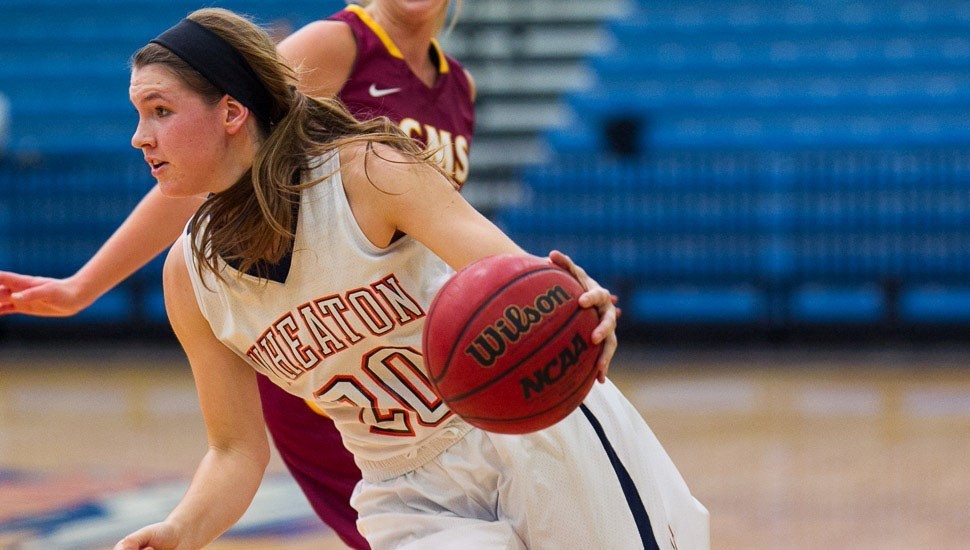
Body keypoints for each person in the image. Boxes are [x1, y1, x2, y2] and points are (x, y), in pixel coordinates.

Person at [103, 8, 707, 549]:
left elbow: (518, 277)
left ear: (232, 112)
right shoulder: (190, 276)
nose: (140, 136)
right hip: (404, 488)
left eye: (160, 111)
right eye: (140, 115)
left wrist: (579, 304)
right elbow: (235, 451)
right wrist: (182, 530)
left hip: (531, 423)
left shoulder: (365, 173)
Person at [0, 1, 473, 547]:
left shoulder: (456, 89)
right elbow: (211, 163)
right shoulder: (336, 44)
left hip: (414, 339)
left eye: (157, 112)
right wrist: (84, 285)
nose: (142, 135)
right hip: (325, 354)